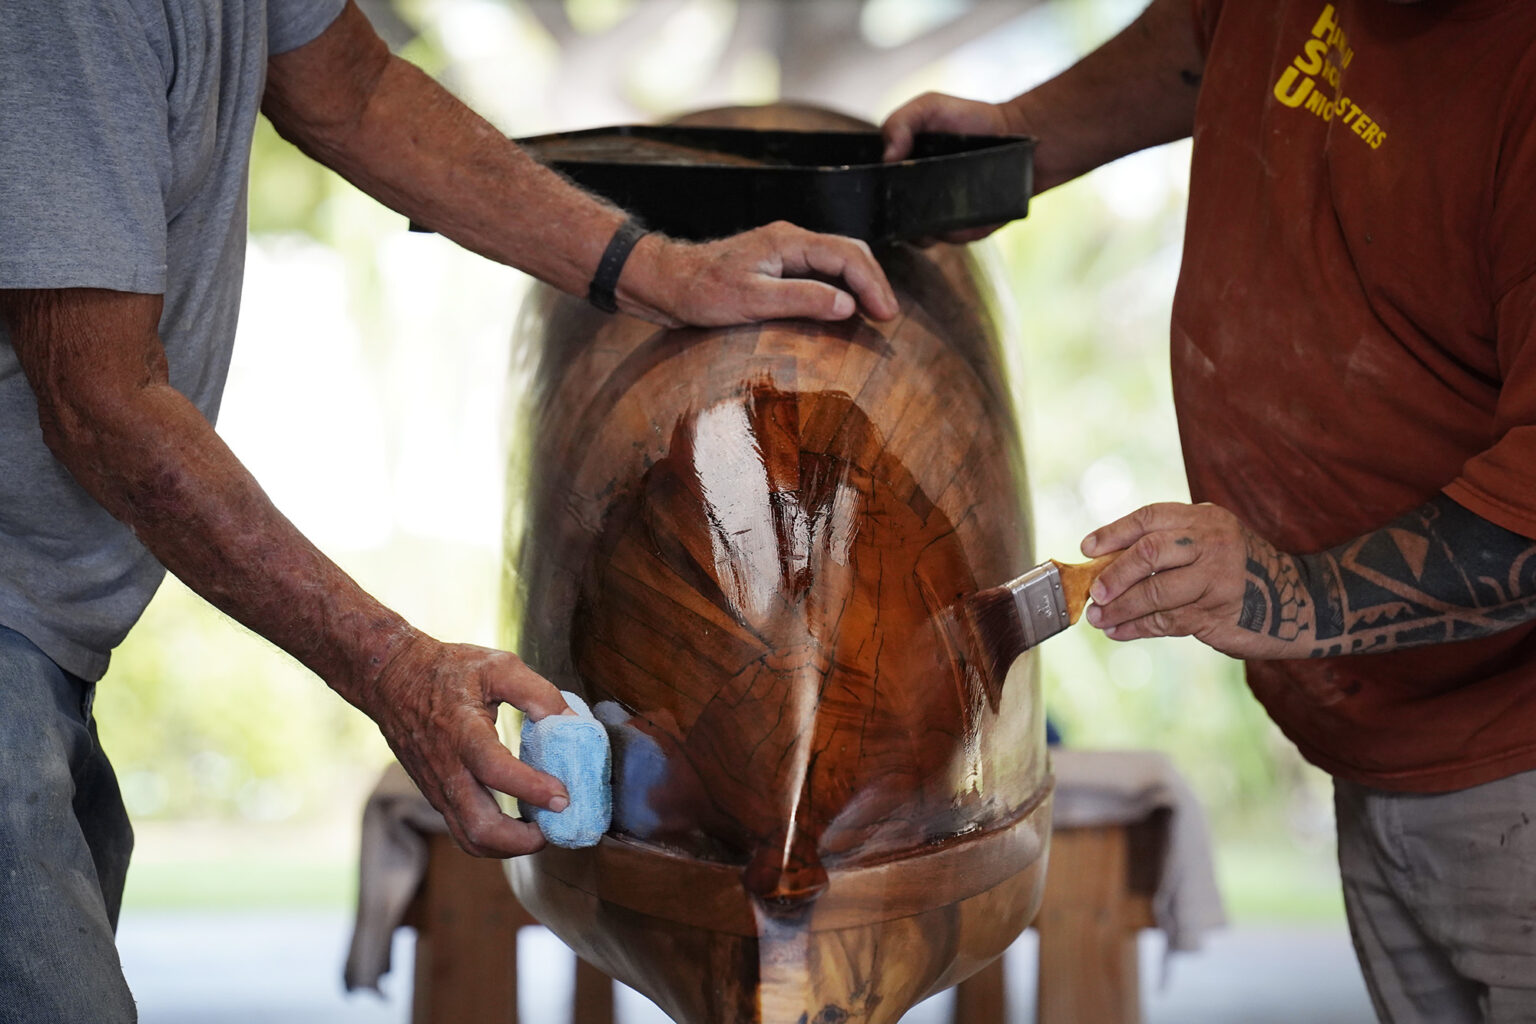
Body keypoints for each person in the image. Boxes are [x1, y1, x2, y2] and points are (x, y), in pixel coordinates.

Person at [0, 1, 899, 1019]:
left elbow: (355, 90)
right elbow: (102, 405)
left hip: (49, 641)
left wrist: (656, 269)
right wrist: (392, 665)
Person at [884, 0, 1536, 1019]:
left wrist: (1295, 592)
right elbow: (1209, 32)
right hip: (1377, 740)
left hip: (1514, 768)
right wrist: (1021, 137)